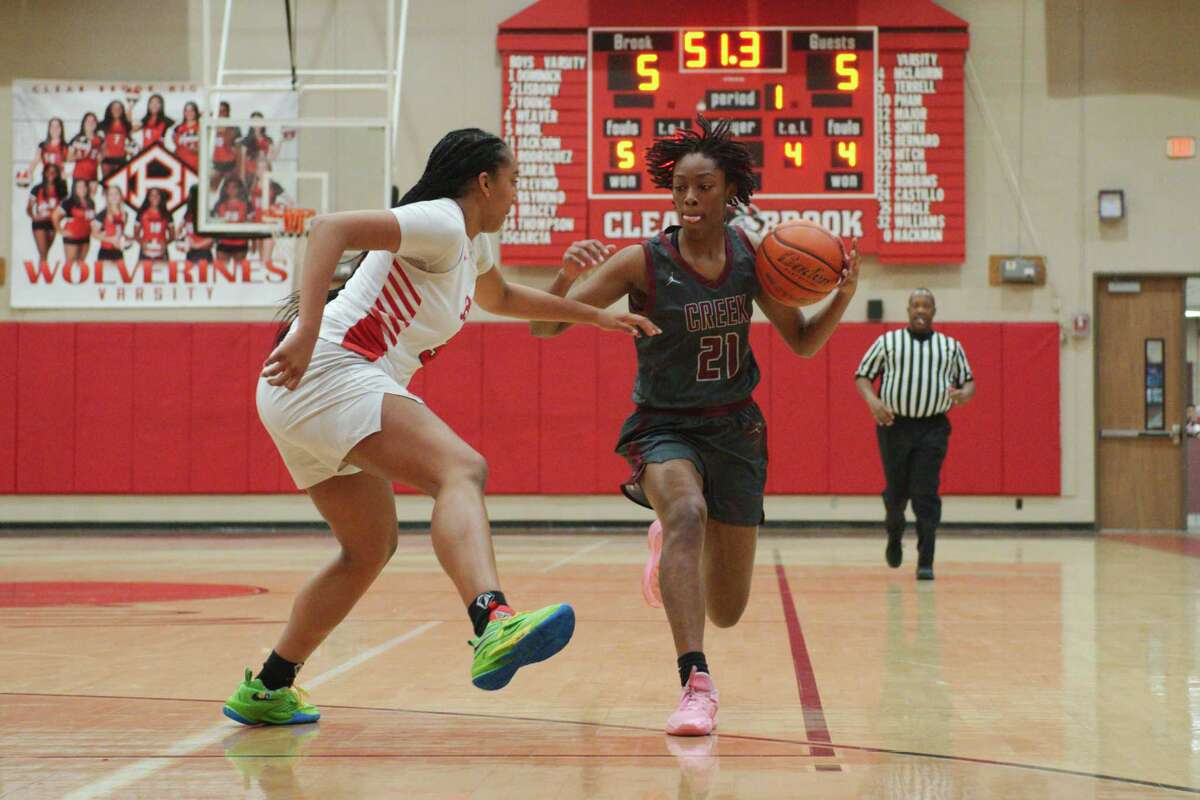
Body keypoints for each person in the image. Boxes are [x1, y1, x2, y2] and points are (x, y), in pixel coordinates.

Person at [222, 127, 660, 727]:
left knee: (369, 548)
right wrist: (303, 331)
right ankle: (492, 621)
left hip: (301, 392)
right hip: (327, 368)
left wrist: (594, 317)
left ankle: (270, 686)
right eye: (511, 183)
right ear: (483, 182)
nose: (515, 196)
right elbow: (328, 228)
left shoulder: (469, 246)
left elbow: (503, 297)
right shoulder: (443, 221)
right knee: (462, 469)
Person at [530, 115, 859, 737]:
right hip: (664, 426)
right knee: (686, 512)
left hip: (736, 430)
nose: (689, 198)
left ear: (729, 191)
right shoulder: (641, 262)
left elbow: (806, 343)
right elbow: (545, 326)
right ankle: (695, 683)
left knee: (729, 609)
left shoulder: (755, 260)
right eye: (680, 186)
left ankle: (670, 548)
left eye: (703, 187)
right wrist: (566, 276)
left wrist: (840, 295)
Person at [854, 289, 975, 581]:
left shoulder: (950, 347)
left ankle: (926, 560)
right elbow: (862, 376)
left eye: (926, 305)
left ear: (934, 311)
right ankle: (894, 535)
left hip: (933, 428)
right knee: (896, 495)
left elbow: (969, 382)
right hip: (894, 426)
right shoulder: (888, 342)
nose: (921, 310)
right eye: (916, 305)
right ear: (908, 310)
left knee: (926, 494)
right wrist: (873, 401)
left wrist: (963, 396)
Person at [27, 163, 67, 263]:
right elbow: (29, 208)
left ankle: (42, 274)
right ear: (44, 173)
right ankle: (42, 275)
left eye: (54, 172)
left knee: (45, 253)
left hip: (52, 224)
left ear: (57, 174)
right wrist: (34, 217)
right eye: (49, 171)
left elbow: (65, 209)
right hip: (40, 223)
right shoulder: (37, 188)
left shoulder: (61, 189)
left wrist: (57, 219)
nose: (51, 174)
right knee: (43, 254)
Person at [54, 180, 97, 265]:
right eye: (79, 187)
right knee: (70, 264)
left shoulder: (91, 203)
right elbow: (55, 216)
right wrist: (60, 231)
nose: (82, 189)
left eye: (84, 186)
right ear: (74, 189)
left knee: (81, 264)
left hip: (86, 238)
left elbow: (91, 221)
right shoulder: (68, 202)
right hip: (72, 238)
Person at [18, 117, 68, 188]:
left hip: (60, 183)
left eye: (57, 126)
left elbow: (74, 162)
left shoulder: (66, 146)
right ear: (49, 129)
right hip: (46, 182)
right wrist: (28, 173)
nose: (55, 129)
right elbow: (35, 161)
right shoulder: (42, 145)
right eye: (52, 126)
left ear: (61, 129)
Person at [94, 184, 130, 267]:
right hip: (106, 252)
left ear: (121, 196)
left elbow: (119, 232)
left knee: (118, 278)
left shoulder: (125, 214)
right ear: (107, 197)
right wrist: (110, 239)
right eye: (111, 194)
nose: (114, 196)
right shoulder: (102, 214)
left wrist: (126, 240)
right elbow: (94, 234)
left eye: (116, 193)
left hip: (119, 252)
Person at [135, 188, 173, 264]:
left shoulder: (167, 214)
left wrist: (165, 243)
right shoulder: (141, 213)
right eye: (152, 195)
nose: (154, 197)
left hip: (161, 251)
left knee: (163, 275)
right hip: (146, 251)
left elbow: (172, 235)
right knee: (144, 275)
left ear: (160, 197)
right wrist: (142, 243)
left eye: (157, 195)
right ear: (148, 197)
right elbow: (136, 235)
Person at [68, 112, 103, 196]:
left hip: (92, 177)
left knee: (90, 203)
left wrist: (100, 158)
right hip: (79, 176)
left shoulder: (100, 140)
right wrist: (78, 156)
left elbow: (101, 159)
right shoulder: (77, 139)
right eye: (88, 121)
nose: (91, 123)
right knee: (76, 202)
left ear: (96, 124)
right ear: (84, 123)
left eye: (93, 121)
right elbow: (69, 158)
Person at [99, 100, 134, 179]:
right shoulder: (103, 124)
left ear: (122, 111)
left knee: (119, 183)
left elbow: (130, 139)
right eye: (114, 108)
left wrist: (130, 107)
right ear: (109, 110)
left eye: (119, 108)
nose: (116, 110)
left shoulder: (126, 125)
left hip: (121, 158)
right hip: (107, 159)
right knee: (107, 183)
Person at [172, 101, 201, 170]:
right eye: (186, 111)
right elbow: (176, 146)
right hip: (181, 165)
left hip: (196, 165)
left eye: (191, 111)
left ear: (196, 112)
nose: (189, 113)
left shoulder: (201, 127)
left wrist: (197, 149)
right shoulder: (178, 128)